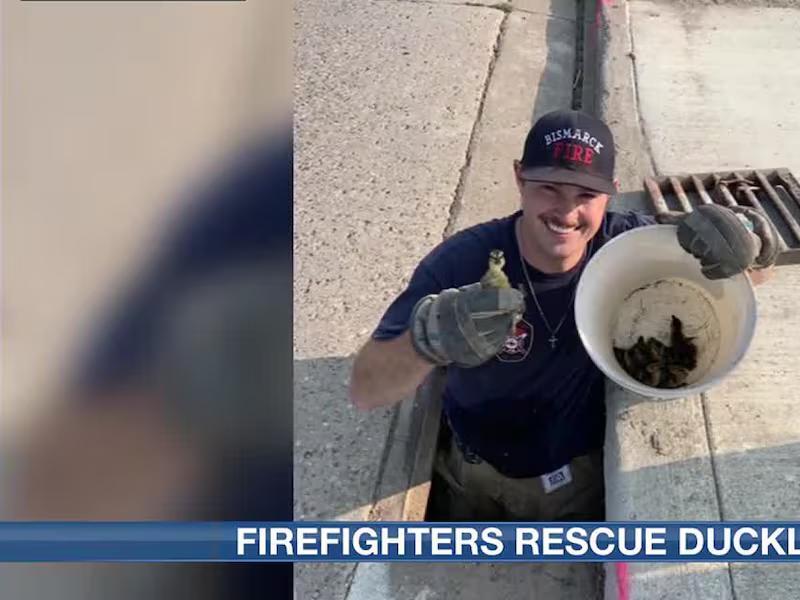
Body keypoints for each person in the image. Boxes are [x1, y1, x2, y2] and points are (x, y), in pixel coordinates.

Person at [349, 109, 778, 521]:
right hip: (470, 472)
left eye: (586, 195)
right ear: (520, 177)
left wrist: (749, 240)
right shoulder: (459, 265)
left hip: (575, 479)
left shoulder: (627, 244)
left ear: (610, 191)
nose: (567, 213)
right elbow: (366, 390)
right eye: (549, 188)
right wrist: (429, 339)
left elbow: (745, 277)